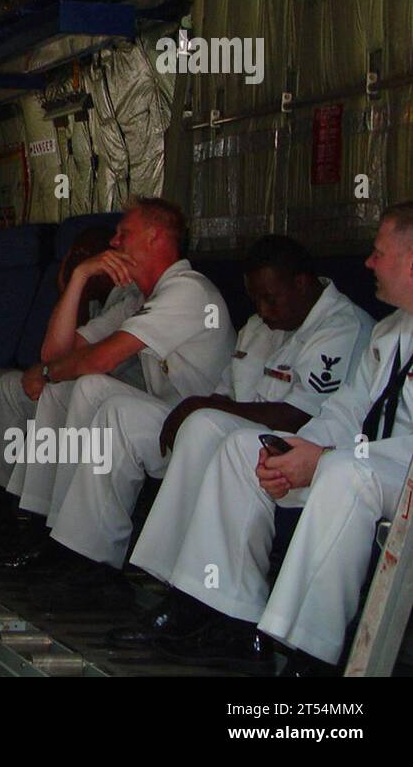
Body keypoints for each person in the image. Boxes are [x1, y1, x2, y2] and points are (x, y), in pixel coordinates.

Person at [143, 205, 413, 674]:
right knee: (245, 449)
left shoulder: (355, 326)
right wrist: (299, 451)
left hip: (393, 472)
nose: (367, 263)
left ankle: (311, 654)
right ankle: (225, 610)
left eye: (377, 252)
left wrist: (326, 457)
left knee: (346, 474)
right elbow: (346, 410)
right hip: (372, 466)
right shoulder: (391, 333)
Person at [45, 235, 372, 612]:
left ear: (301, 283)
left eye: (271, 298)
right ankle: (86, 557)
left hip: (293, 447)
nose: (262, 309)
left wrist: (200, 408)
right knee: (121, 413)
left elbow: (299, 416)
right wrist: (201, 408)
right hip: (222, 428)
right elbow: (224, 393)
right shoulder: (259, 326)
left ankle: (180, 591)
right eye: (256, 299)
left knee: (203, 424)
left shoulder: (339, 327)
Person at [0, 198, 234, 573]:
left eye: (124, 234)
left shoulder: (189, 291)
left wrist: (49, 372)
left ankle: (84, 553)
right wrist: (80, 276)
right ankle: (44, 525)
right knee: (65, 388)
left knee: (87, 386)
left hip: (198, 429)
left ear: (154, 238)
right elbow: (56, 352)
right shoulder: (138, 298)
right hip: (161, 419)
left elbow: (99, 360)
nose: (114, 243)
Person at [0, 224, 140, 547]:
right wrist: (72, 286)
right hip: (88, 393)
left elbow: (59, 357)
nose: (77, 264)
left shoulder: (129, 299)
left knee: (55, 394)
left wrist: (45, 372)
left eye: (89, 257)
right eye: (75, 257)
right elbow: (57, 353)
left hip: (121, 404)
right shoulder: (101, 295)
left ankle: (42, 526)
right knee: (12, 387)